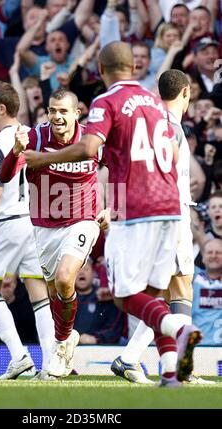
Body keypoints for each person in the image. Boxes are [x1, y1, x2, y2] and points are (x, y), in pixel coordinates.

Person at [23, 42, 203, 387]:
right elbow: (175, 153)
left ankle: (177, 328)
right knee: (155, 295)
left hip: (135, 210)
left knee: (124, 297)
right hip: (171, 207)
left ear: (102, 72)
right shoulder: (156, 104)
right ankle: (171, 373)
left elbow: (91, 148)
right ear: (134, 67)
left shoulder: (107, 102)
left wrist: (40, 159)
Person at [111, 69, 214, 385]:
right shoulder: (171, 127)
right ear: (185, 93)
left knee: (162, 291)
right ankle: (181, 368)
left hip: (146, 215)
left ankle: (129, 359)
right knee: (181, 288)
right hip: (170, 214)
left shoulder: (148, 120)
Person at [0, 88, 110, 379]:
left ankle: (61, 345)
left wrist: (112, 208)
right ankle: (67, 337)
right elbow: (4, 176)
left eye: (63, 111)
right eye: (52, 111)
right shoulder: (35, 137)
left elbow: (120, 169)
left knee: (65, 278)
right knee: (54, 295)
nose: (57, 117)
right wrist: (15, 151)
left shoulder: (92, 140)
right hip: (44, 228)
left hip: (82, 221)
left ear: (77, 112)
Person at [0, 80, 54, 380]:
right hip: (34, 223)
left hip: (7, 222)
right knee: (38, 293)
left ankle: (20, 356)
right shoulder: (35, 136)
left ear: (1, 108)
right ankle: (49, 366)